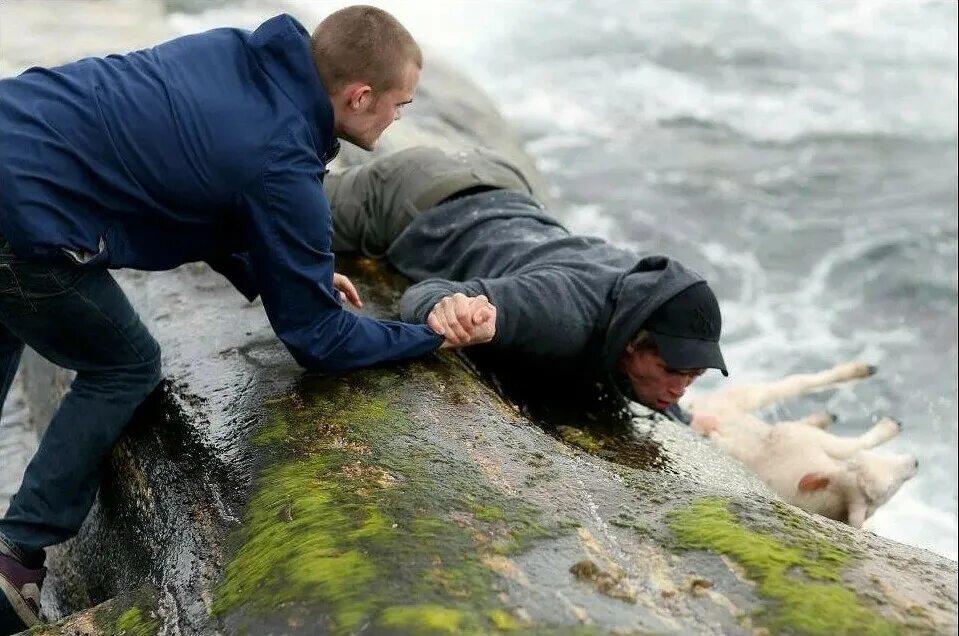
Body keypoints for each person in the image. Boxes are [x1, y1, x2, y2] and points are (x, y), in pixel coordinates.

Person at [0, 8, 491, 632]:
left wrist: (280, 270)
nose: (400, 118)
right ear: (360, 96)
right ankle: (16, 560)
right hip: (17, 216)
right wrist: (431, 335)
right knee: (124, 365)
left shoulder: (235, 51)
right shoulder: (283, 162)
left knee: (11, 316)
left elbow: (191, 178)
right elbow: (319, 338)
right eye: (401, 104)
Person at [326, 145, 728, 422]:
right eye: (671, 369)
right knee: (272, 210)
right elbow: (426, 292)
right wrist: (449, 310)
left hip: (507, 183)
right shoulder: (559, 312)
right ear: (632, 341)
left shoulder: (638, 292)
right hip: (414, 196)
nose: (679, 389)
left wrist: (684, 418)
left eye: (692, 376)